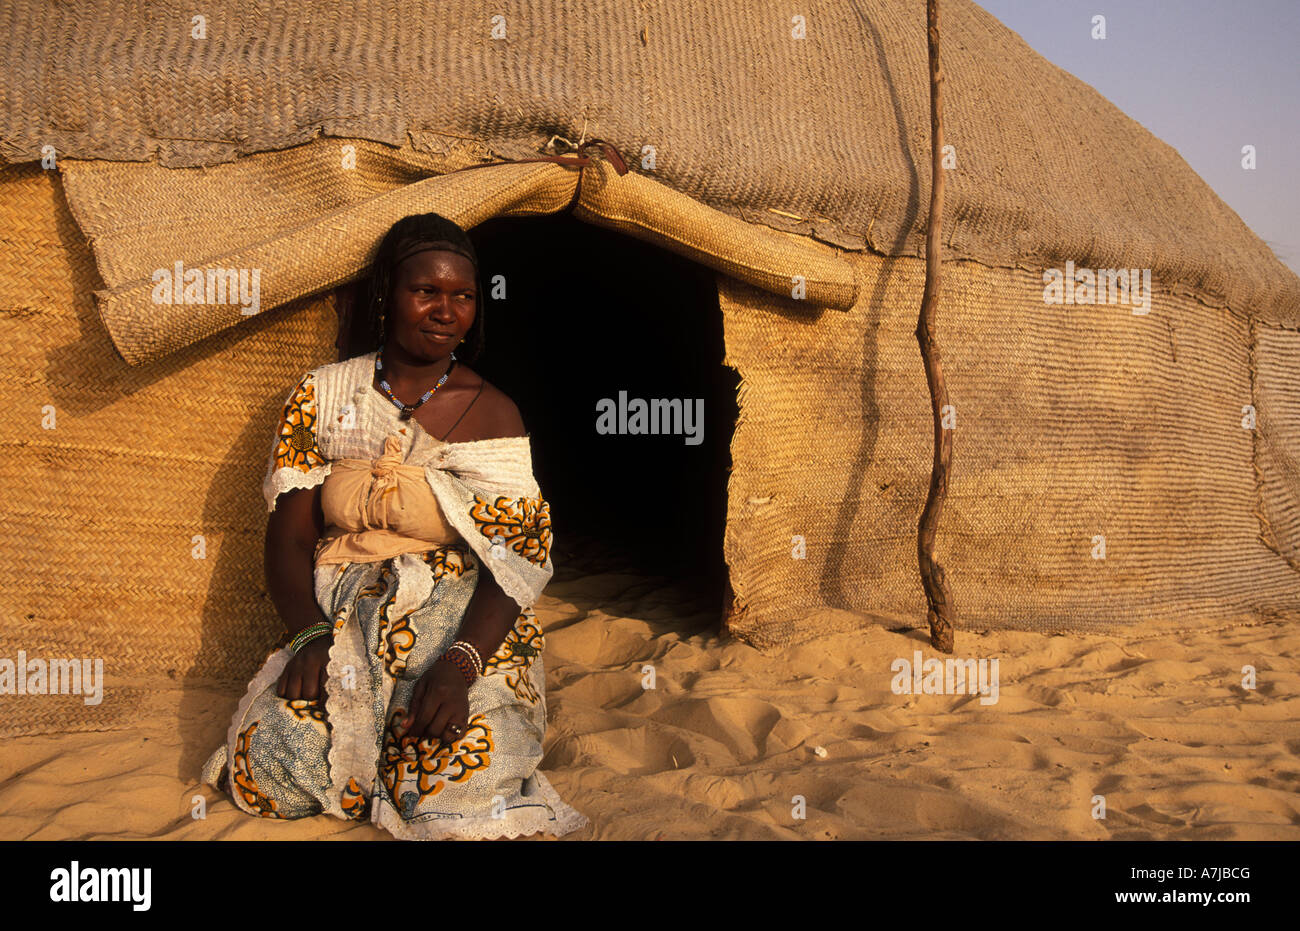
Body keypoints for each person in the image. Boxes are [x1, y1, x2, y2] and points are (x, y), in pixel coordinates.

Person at [201, 212, 588, 840]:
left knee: (453, 791)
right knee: (275, 773)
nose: (446, 310)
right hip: (343, 608)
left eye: (462, 296)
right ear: (387, 297)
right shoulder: (324, 396)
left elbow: (518, 558)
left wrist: (462, 663)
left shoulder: (493, 411)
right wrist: (307, 636)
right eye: (426, 291)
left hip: (461, 615)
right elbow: (291, 535)